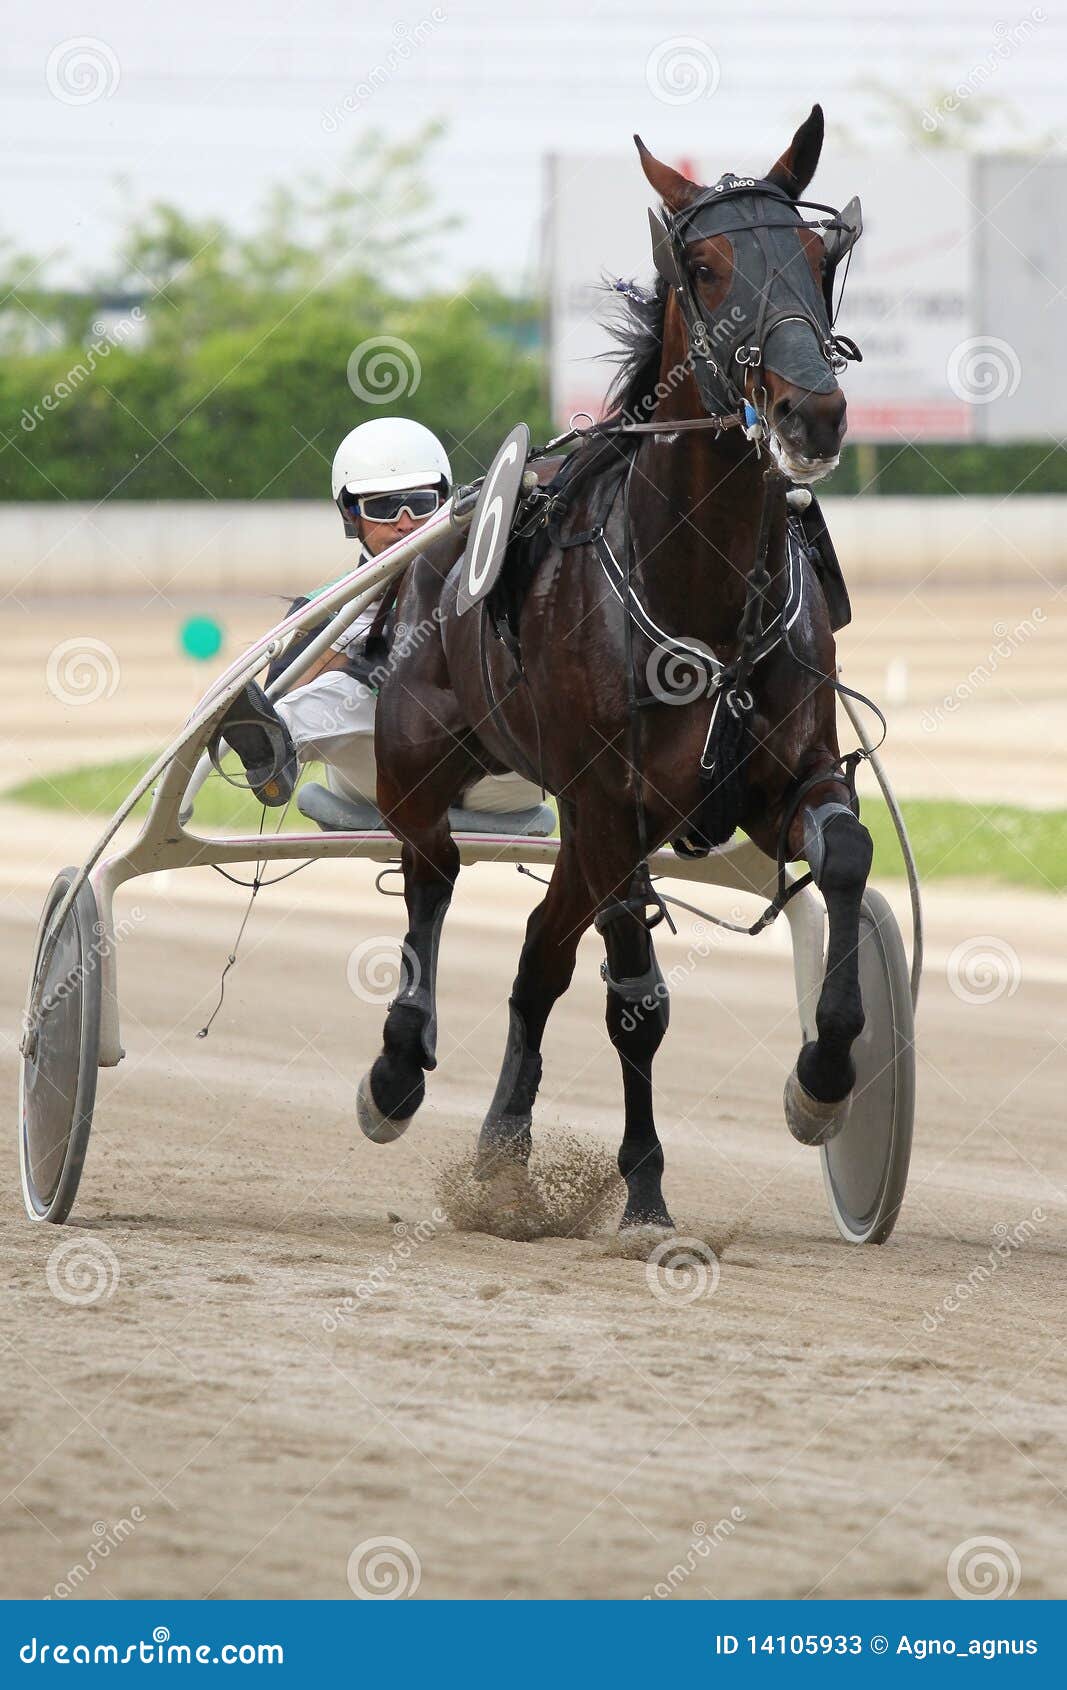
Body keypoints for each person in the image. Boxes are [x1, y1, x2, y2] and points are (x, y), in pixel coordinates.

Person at [239, 417, 542, 818]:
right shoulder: (322, 608)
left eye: (420, 504)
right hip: (383, 777)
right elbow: (281, 690)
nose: (404, 521)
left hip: (501, 778)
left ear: (443, 502)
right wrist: (347, 664)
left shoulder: (495, 579)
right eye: (384, 507)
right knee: (330, 693)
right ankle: (275, 752)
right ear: (352, 514)